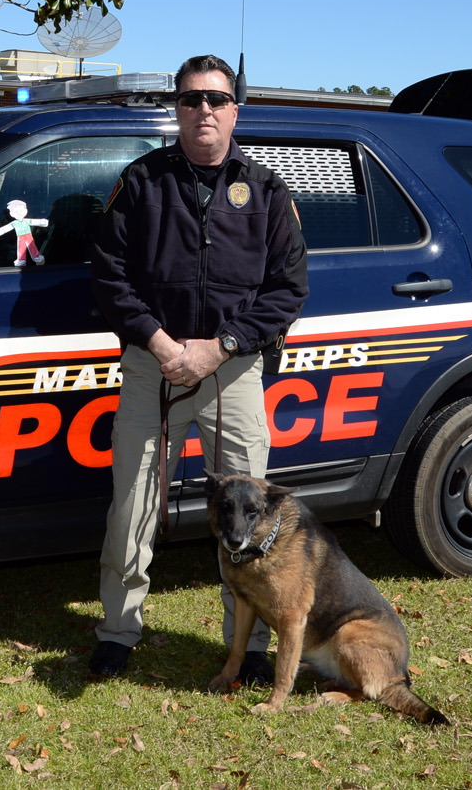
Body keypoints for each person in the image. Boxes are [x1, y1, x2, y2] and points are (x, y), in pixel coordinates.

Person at [88, 54, 309, 679]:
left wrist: (223, 345)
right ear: (176, 109)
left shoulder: (265, 190)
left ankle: (253, 646)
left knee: (250, 512)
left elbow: (287, 289)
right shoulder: (141, 182)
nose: (203, 110)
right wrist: (160, 343)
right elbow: (110, 278)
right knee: (132, 502)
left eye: (215, 99)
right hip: (152, 365)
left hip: (232, 368)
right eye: (191, 100)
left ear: (235, 110)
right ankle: (117, 631)